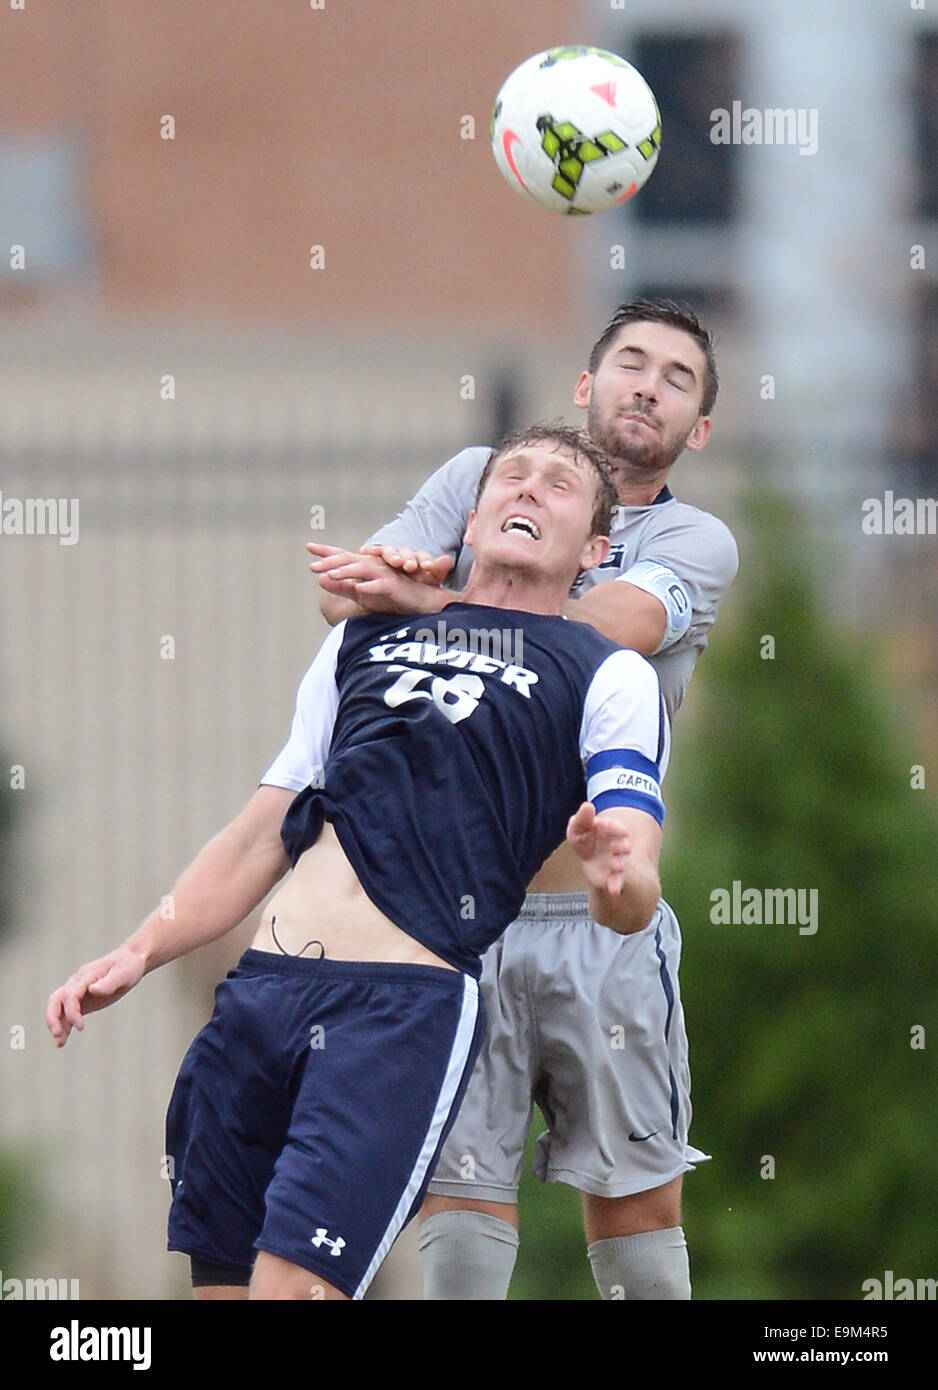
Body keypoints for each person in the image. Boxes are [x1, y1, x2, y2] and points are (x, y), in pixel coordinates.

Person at [46, 424, 670, 1303]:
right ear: (476, 512)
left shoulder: (603, 673)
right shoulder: (359, 642)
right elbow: (261, 833)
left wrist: (621, 882)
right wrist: (142, 950)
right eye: (510, 477)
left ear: (595, 550)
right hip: (259, 997)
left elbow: (633, 870)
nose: (527, 490)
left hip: (394, 1016)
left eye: (559, 484)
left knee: (294, 1291)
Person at [311, 299, 739, 1301]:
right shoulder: (477, 475)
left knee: (634, 1220)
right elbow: (343, 592)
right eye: (629, 363)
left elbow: (589, 628)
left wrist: (428, 595)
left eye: (676, 379)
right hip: (459, 913)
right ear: (584, 386)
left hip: (602, 912)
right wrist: (404, 582)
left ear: (699, 428)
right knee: (458, 1210)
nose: (647, 385)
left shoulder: (694, 539)